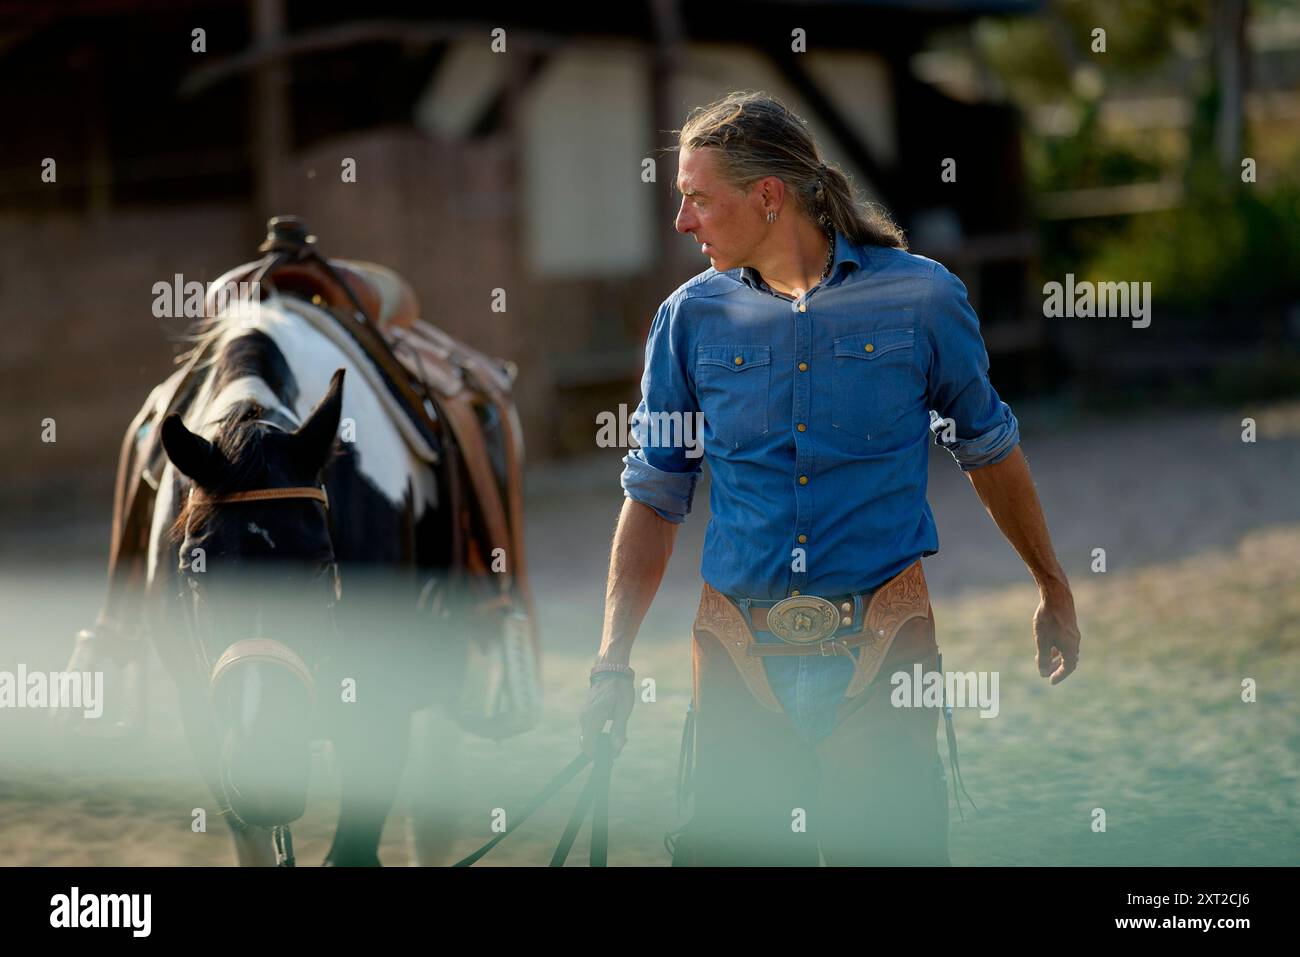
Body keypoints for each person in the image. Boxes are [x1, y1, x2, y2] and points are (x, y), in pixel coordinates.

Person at [579, 91, 1081, 866]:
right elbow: (654, 493)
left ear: (768, 197)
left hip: (885, 653)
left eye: (697, 200)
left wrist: (1053, 585)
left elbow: (989, 448)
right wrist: (612, 660)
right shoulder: (687, 320)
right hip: (736, 661)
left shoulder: (922, 297)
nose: (684, 222)